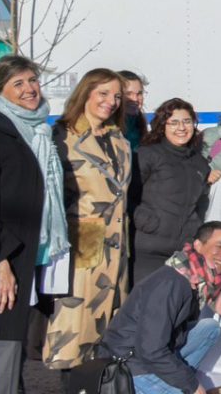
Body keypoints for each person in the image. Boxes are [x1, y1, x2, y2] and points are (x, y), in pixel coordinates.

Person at [0, 56, 65, 394]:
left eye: (32, 80)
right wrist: (0, 262)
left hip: (40, 253)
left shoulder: (39, 131)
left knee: (26, 342)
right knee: (2, 337)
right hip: (7, 256)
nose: (29, 89)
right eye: (18, 83)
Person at [44, 69, 133, 370]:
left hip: (117, 250)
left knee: (110, 330)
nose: (111, 101)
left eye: (117, 96)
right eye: (103, 93)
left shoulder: (119, 139)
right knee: (75, 328)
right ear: (86, 93)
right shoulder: (62, 137)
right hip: (82, 243)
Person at [99, 221, 221, 394]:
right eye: (219, 246)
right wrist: (193, 386)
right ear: (198, 245)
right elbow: (151, 350)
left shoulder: (195, 278)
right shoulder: (170, 283)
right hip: (128, 366)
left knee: (210, 328)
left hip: (152, 352)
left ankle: (172, 381)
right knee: (190, 389)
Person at [130, 98, 211, 284]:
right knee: (146, 306)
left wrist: (193, 231)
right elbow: (128, 196)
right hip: (148, 250)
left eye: (186, 121)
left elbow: (199, 205)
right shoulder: (149, 154)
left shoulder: (199, 163)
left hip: (181, 254)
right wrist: (146, 222)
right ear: (162, 126)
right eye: (173, 122)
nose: (181, 128)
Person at [119, 70, 149, 151]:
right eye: (128, 94)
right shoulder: (108, 128)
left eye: (139, 93)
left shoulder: (139, 124)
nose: (135, 99)